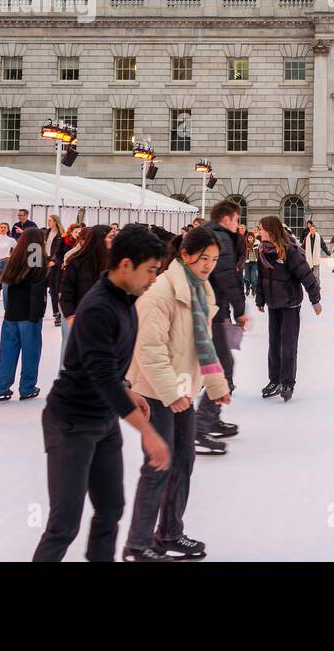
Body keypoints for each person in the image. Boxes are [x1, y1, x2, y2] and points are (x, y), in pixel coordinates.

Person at [32, 226, 172, 562]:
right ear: (126, 264)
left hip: (103, 422)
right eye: (150, 271)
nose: (154, 279)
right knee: (64, 524)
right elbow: (100, 376)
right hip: (71, 422)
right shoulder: (98, 307)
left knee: (111, 509)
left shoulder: (126, 299)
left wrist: (126, 387)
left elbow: (110, 369)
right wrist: (148, 433)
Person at [124, 228, 231, 560]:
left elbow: (202, 345)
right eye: (204, 259)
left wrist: (215, 386)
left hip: (182, 390)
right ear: (185, 255)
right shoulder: (161, 294)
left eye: (214, 260)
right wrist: (171, 393)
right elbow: (150, 351)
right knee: (159, 464)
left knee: (183, 461)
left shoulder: (199, 291)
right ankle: (137, 544)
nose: (209, 265)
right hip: (156, 392)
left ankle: (169, 532)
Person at [195, 201, 248, 445]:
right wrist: (239, 310)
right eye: (237, 220)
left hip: (210, 311)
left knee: (218, 365)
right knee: (222, 366)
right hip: (210, 312)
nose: (238, 226)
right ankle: (201, 424)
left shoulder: (206, 235)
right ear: (226, 219)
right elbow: (227, 276)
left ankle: (211, 417)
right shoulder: (221, 239)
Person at [256, 216, 322, 403]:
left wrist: (315, 300)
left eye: (261, 228)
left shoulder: (289, 251)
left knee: (288, 345)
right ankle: (274, 380)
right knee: (274, 345)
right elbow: (260, 279)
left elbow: (306, 275)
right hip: (273, 305)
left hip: (290, 305)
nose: (259, 231)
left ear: (271, 230)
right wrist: (260, 300)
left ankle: (287, 382)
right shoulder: (262, 251)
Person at [0, 228, 48, 401]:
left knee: (8, 352)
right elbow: (36, 284)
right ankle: (27, 387)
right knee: (31, 352)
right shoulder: (35, 252)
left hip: (12, 314)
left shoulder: (16, 255)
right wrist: (36, 313)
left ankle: (1, 387)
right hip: (28, 314)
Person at [59, 224, 111, 350]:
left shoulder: (111, 262)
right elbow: (66, 294)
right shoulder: (76, 262)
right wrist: (71, 318)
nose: (112, 239)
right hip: (81, 320)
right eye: (110, 236)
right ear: (100, 238)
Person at [46, 214, 68, 329]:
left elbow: (60, 252)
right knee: (44, 289)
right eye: (48, 220)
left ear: (55, 221)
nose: (48, 222)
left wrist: (54, 261)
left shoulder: (61, 235)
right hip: (46, 261)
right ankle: (52, 312)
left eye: (50, 220)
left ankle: (57, 313)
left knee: (54, 289)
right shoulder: (46, 233)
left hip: (56, 263)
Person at [302, 221, 328, 286]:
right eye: (311, 229)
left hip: (316, 258)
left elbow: (323, 245)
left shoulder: (318, 237)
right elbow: (303, 246)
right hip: (309, 258)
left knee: (316, 275)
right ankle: (311, 286)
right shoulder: (307, 238)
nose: (312, 230)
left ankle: (317, 285)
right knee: (309, 274)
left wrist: (327, 251)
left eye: (313, 229)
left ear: (315, 230)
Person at [241, 232, 259, 296]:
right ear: (247, 238)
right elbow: (242, 253)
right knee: (247, 277)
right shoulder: (245, 244)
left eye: (251, 238)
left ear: (253, 238)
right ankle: (248, 289)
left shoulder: (257, 243)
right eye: (249, 238)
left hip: (254, 262)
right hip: (247, 263)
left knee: (253, 277)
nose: (250, 239)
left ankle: (254, 289)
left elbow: (259, 253)